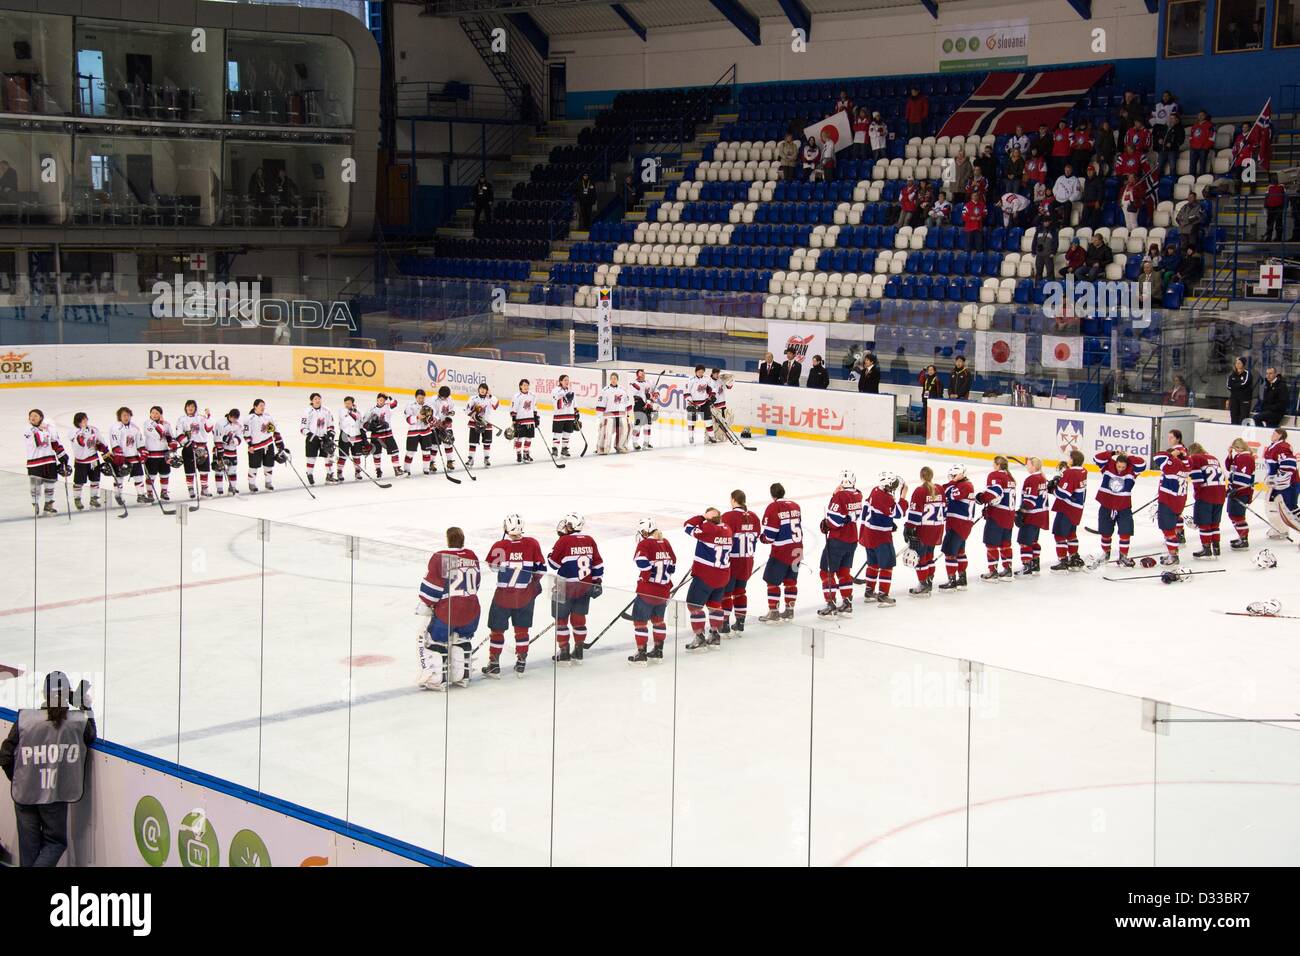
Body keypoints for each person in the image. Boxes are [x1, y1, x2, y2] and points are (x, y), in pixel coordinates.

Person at [1, 672, 96, 867]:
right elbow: (91, 734)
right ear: (68, 694)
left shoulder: (26, 719)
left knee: (29, 852)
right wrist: (86, 707)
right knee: (55, 843)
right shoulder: (76, 721)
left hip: (25, 794)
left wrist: (20, 779)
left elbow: (5, 756)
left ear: (44, 693)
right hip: (53, 795)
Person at [416, 528, 481, 690]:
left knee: (435, 639)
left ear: (447, 540)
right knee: (462, 639)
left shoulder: (442, 557)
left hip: (448, 611)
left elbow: (432, 588)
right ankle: (462, 675)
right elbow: (477, 582)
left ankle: (437, 679)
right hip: (471, 610)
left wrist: (426, 603)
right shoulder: (471, 556)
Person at [483, 514, 546, 677]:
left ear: (505, 528)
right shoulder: (532, 543)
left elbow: (494, 567)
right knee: (522, 630)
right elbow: (541, 570)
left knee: (497, 630)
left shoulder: (500, 545)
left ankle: (494, 664)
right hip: (524, 596)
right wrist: (533, 584)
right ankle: (521, 663)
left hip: (503, 596)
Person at [548, 512, 605, 662]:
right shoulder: (590, 540)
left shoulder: (563, 541)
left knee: (561, 620)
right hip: (584, 587)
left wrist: (551, 554)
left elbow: (553, 564)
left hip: (564, 586)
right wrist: (597, 581)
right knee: (579, 620)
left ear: (570, 525)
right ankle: (579, 651)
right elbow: (598, 564)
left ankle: (564, 652)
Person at [628, 517, 677, 663]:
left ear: (645, 531)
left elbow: (641, 562)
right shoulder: (665, 542)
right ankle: (658, 651)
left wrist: (649, 571)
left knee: (640, 622)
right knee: (658, 621)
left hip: (647, 591)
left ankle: (641, 654)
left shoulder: (645, 543)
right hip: (663, 592)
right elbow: (673, 565)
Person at [683, 508, 734, 649]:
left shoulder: (708, 529)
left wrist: (701, 517)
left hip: (706, 576)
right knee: (715, 606)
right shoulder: (727, 529)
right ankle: (715, 635)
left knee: (694, 606)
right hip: (723, 576)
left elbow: (687, 526)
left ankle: (700, 638)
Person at [816, 470, 863, 617]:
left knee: (826, 571)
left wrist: (826, 524)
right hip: (852, 538)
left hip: (838, 539)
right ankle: (847, 603)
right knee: (844, 572)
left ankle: (831, 604)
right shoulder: (858, 494)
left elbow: (835, 520)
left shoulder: (841, 495)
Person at [858, 471, 906, 606]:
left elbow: (875, 510)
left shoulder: (875, 490)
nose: (894, 488)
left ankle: (869, 592)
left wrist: (888, 522)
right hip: (880, 537)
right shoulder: (885, 498)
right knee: (887, 566)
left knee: (873, 564)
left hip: (868, 534)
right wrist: (903, 496)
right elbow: (899, 513)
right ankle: (883, 595)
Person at [758, 483, 803, 621]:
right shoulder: (795, 505)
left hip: (781, 552)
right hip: (797, 550)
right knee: (791, 581)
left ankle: (774, 612)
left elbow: (770, 534)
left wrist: (763, 538)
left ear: (772, 495)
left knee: (772, 581)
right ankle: (789, 611)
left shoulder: (774, 507)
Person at [1093, 450, 1146, 564]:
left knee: (1125, 532)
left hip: (1123, 506)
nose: (1120, 469)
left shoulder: (1132, 471)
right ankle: (1106, 553)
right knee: (1105, 532)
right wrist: (1113, 452)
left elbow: (1142, 464)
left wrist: (1129, 457)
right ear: (1115, 463)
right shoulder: (1108, 467)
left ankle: (1123, 556)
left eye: (1123, 467)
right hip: (1107, 504)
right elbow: (1097, 458)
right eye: (1118, 466)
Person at [720, 490, 761, 633]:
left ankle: (724, 624)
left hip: (732, 561)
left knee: (726, 593)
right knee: (740, 592)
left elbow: (722, 537)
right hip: (748, 561)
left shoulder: (728, 516)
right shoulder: (754, 517)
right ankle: (740, 622)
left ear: (733, 500)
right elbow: (756, 536)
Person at [903, 467, 944, 595]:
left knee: (920, 557)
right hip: (937, 528)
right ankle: (929, 581)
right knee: (929, 555)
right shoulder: (940, 489)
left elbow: (915, 513)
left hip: (924, 530)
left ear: (921, 476)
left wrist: (908, 528)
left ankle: (923, 584)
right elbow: (945, 510)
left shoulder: (920, 491)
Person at [975, 456, 1017, 581]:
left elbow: (995, 493)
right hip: (1009, 516)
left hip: (997, 516)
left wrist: (981, 498)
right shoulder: (1010, 478)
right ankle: (1008, 570)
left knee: (991, 544)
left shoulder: (995, 475)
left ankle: (993, 572)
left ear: (997, 464)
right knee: (1005, 544)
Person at [937, 464, 976, 590]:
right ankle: (962, 579)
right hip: (960, 524)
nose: (952, 478)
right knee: (960, 552)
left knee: (949, 553)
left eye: (954, 476)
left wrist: (952, 482)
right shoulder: (965, 485)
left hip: (958, 525)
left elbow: (948, 493)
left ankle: (952, 581)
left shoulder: (965, 486)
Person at [1185, 443, 1227, 559]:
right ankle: (1216, 548)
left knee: (1204, 523)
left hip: (1206, 494)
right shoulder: (1214, 458)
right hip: (1220, 493)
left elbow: (1198, 479)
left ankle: (1206, 548)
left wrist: (1197, 494)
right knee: (1215, 523)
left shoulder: (1194, 458)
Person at [23, 409, 67, 516]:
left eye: (36, 416)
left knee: (50, 484)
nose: (33, 418)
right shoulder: (28, 429)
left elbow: (55, 442)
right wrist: (45, 427)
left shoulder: (47, 428)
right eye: (31, 416)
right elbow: (38, 441)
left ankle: (48, 504)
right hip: (35, 463)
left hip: (50, 461)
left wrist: (62, 456)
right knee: (35, 486)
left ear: (41, 418)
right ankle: (35, 503)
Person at [1049, 451, 1088, 570]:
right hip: (1077, 508)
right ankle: (1074, 558)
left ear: (1072, 459)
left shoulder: (1071, 473)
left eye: (1069, 458)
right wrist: (1062, 478)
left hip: (1067, 508)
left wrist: (1051, 488)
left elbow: (1063, 493)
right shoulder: (1083, 470)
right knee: (1071, 534)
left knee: (1059, 534)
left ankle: (1063, 561)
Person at [1152, 444, 1191, 563]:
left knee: (1168, 529)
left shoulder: (1172, 464)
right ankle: (1172, 552)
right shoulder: (1184, 466)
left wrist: (1171, 455)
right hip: (1178, 502)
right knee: (1170, 528)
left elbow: (1157, 457)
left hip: (1169, 502)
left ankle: (1173, 556)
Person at [1015, 457, 1049, 575]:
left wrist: (1021, 512)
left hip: (1032, 515)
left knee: (1024, 541)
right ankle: (1035, 565)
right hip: (1041, 515)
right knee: (1033, 540)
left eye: (1028, 464)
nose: (1027, 466)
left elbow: (1030, 500)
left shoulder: (1032, 479)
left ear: (1034, 467)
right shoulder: (1042, 478)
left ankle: (1027, 567)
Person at [142, 404, 180, 501]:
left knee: (165, 473)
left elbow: (170, 436)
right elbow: (158, 435)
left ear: (160, 414)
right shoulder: (147, 424)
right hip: (151, 454)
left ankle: (164, 492)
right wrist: (161, 425)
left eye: (157, 413)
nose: (154, 415)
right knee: (151, 475)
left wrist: (173, 443)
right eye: (152, 413)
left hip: (164, 454)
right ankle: (150, 493)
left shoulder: (166, 424)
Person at [1225, 437, 1257, 549]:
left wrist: (1236, 489)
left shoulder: (1246, 458)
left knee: (1237, 515)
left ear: (1239, 447)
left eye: (1234, 448)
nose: (1234, 450)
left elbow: (1243, 477)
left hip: (1240, 491)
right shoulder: (1239, 456)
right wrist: (1229, 455)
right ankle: (1241, 536)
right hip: (1237, 490)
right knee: (1233, 514)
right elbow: (1230, 468)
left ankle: (1244, 539)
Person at [300, 392, 337, 484]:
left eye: (319, 398)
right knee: (311, 457)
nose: (317, 400)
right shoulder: (307, 412)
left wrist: (330, 434)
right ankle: (309, 474)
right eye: (315, 399)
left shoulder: (326, 410)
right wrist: (311, 435)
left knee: (328, 456)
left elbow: (331, 424)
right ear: (311, 401)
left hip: (324, 437)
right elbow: (302, 428)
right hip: (312, 438)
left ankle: (329, 475)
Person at [362, 393, 400, 477]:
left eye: (383, 400)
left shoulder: (388, 406)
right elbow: (364, 424)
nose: (381, 402)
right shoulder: (371, 410)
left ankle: (397, 469)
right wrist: (370, 427)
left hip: (387, 433)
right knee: (376, 454)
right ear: (377, 400)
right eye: (380, 400)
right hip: (376, 435)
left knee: (395, 452)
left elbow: (395, 403)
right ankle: (378, 470)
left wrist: (389, 396)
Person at [595, 372, 631, 454]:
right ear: (610, 379)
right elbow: (601, 403)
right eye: (612, 378)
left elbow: (627, 402)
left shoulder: (622, 390)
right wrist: (600, 416)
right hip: (609, 414)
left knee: (626, 428)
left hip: (621, 414)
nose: (613, 380)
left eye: (615, 378)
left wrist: (628, 414)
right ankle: (602, 448)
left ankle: (620, 446)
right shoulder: (605, 390)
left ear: (617, 380)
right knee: (606, 431)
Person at [466, 382, 499, 467]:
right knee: (473, 442)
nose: (482, 390)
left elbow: (496, 405)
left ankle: (486, 459)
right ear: (478, 389)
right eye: (481, 388)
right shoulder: (473, 398)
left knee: (487, 442)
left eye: (484, 389)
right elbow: (467, 410)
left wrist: (491, 395)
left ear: (487, 390)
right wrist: (474, 415)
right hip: (475, 423)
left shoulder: (490, 399)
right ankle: (471, 459)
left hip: (486, 423)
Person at [685, 363, 716, 444]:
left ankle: (712, 436)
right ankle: (691, 437)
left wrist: (712, 396)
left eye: (702, 372)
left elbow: (711, 388)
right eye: (699, 371)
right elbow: (686, 392)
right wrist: (690, 402)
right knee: (691, 422)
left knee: (708, 421)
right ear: (696, 372)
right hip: (693, 404)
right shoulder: (690, 380)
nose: (700, 373)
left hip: (704, 403)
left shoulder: (707, 379)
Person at [550, 373, 579, 458]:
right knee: (557, 434)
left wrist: (576, 412)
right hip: (559, 416)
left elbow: (574, 402)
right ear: (560, 381)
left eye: (568, 380)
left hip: (569, 415)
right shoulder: (555, 391)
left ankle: (564, 449)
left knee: (567, 434)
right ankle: (555, 449)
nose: (567, 382)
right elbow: (556, 405)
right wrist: (565, 399)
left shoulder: (571, 391)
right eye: (565, 380)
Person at [1225, 357, 1253, 424]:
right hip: (1234, 399)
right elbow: (1228, 386)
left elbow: (1244, 384)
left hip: (1244, 399)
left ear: (1243, 364)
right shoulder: (1232, 374)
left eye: (1239, 363)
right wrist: (1238, 385)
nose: (1237, 365)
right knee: (1234, 417)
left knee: (1243, 419)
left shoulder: (1247, 373)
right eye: (1236, 363)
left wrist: (1234, 385)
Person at [1188, 111, 1214, 178]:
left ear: (1205, 116)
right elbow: (1191, 137)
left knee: (1202, 165)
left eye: (1202, 115)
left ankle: (1201, 179)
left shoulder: (1209, 125)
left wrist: (1205, 147)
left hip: (1203, 149)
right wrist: (1192, 145)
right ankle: (1191, 178)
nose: (1200, 116)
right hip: (1194, 148)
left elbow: (1212, 138)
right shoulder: (1195, 125)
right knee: (1192, 165)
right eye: (1199, 115)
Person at [1159, 113, 1184, 179]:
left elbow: (1180, 141)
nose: (1170, 120)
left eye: (1172, 118)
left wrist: (1172, 144)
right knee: (1159, 167)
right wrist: (1160, 140)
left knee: (1172, 167)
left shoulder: (1180, 128)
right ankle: (1159, 181)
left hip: (1172, 151)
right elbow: (1160, 136)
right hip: (1163, 150)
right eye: (1170, 118)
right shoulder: (1165, 127)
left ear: (1177, 120)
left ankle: (1172, 181)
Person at [1263, 173, 1286, 242]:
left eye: (1275, 177)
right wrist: (1265, 207)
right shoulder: (1269, 187)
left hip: (1279, 207)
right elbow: (1266, 197)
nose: (1274, 179)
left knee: (1278, 223)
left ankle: (1278, 238)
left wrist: (1284, 206)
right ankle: (1268, 237)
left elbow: (1285, 197)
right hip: (1270, 207)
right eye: (1273, 178)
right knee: (1270, 223)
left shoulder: (1282, 186)